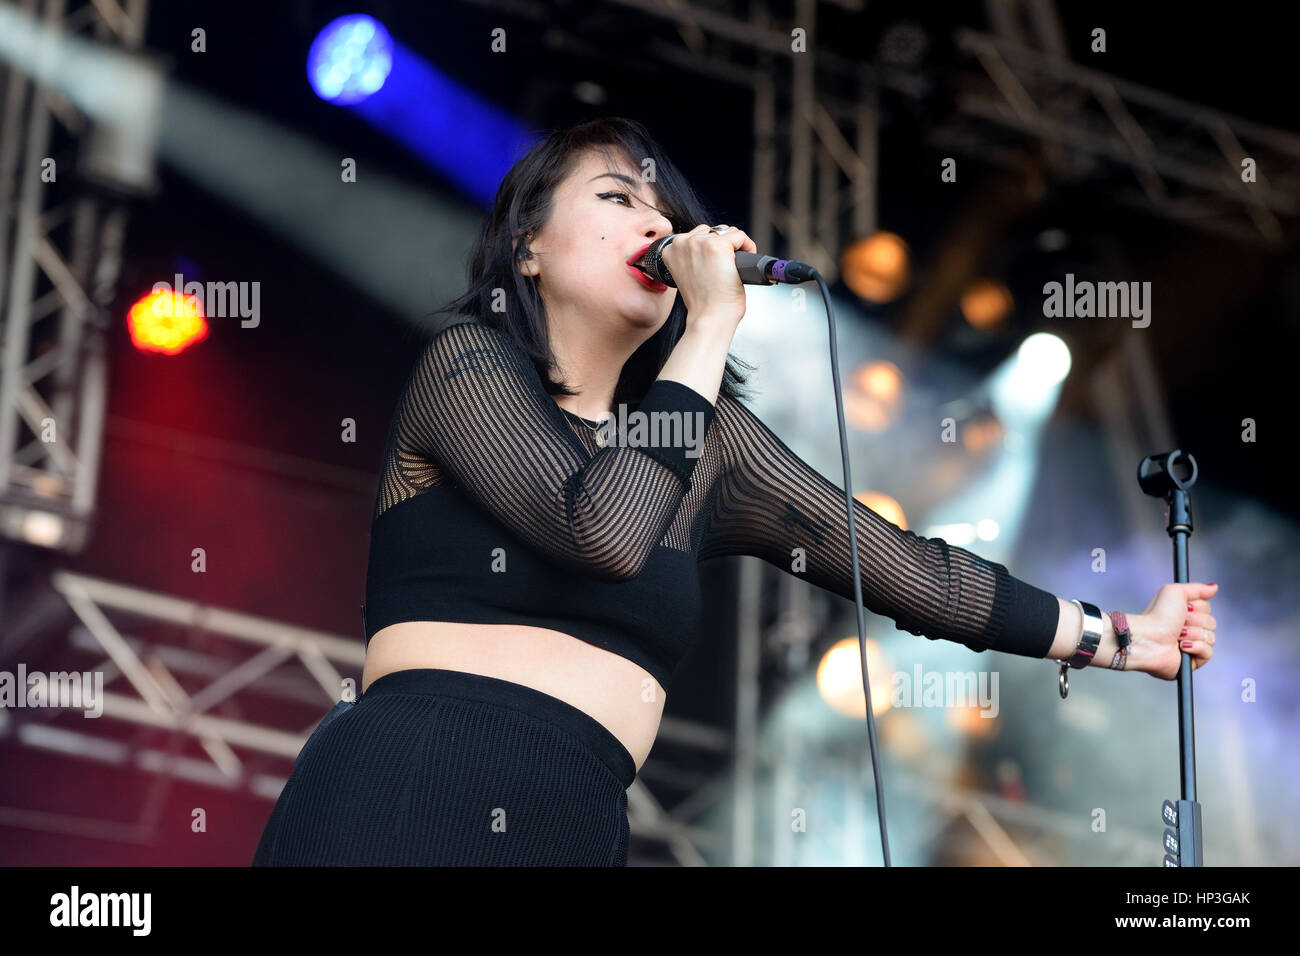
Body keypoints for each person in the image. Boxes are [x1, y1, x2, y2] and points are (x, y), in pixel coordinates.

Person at [252, 117, 1217, 867]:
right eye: (619, 196)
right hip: (409, 782)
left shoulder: (707, 444)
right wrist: (711, 331)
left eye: (664, 208)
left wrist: (1124, 639)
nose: (659, 222)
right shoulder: (468, 368)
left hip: (575, 813)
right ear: (529, 248)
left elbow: (913, 574)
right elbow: (603, 529)